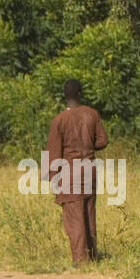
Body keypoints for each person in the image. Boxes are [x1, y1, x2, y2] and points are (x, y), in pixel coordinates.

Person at [46, 78, 108, 266]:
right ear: (80, 94)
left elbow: (53, 152)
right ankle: (92, 256)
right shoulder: (92, 114)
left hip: (69, 173)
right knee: (89, 215)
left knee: (74, 218)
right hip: (89, 170)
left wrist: (52, 179)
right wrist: (87, 145)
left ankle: (81, 262)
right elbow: (103, 141)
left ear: (64, 96)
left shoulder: (59, 120)